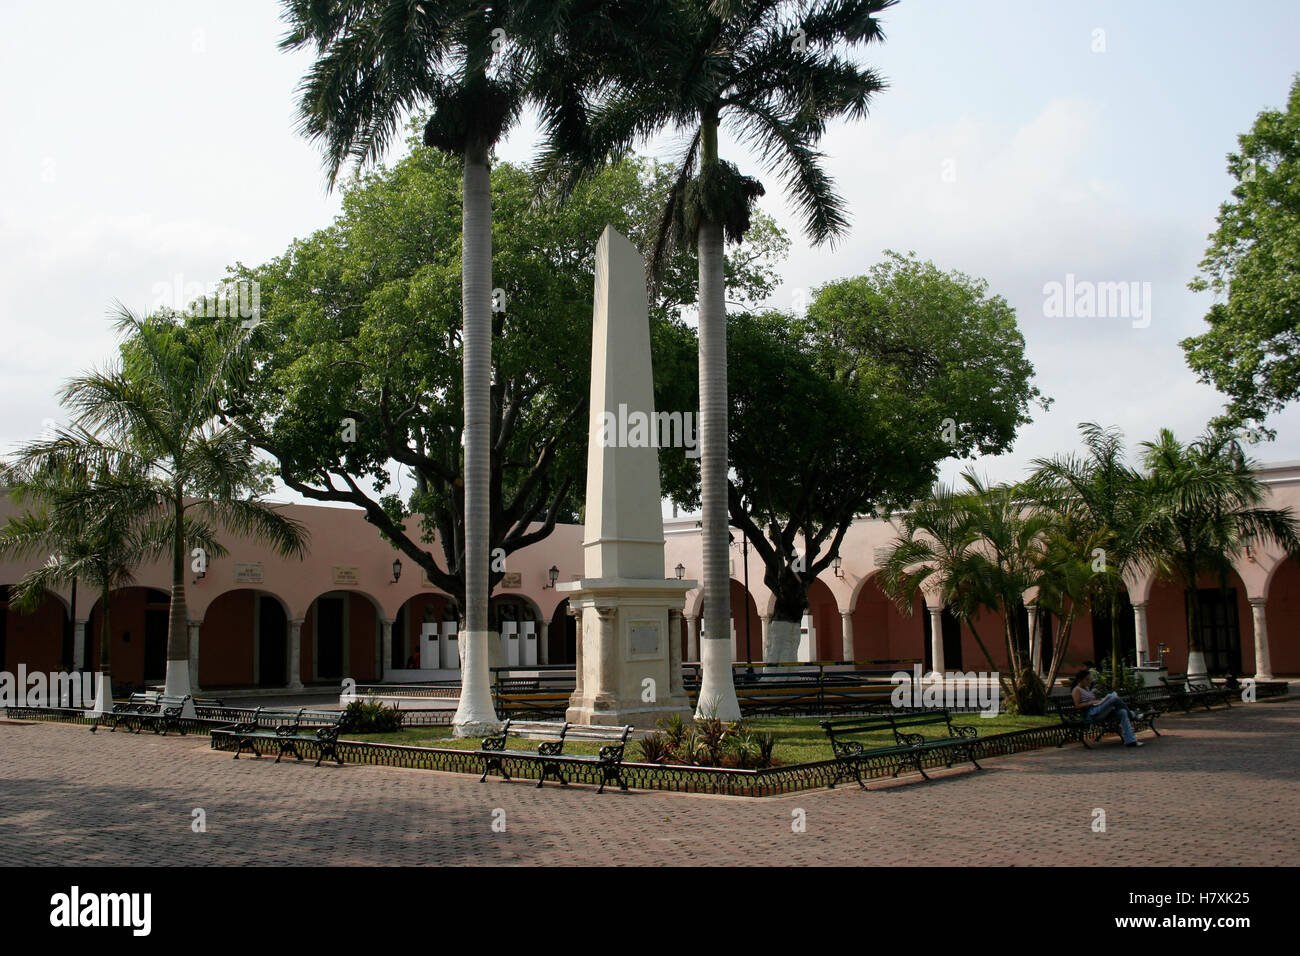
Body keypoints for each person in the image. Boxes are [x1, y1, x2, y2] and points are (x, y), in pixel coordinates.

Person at [1070, 668, 1144, 748]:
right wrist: (1090, 703)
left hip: (1098, 709)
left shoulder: (1087, 688)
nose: (1090, 681)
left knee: (1122, 712)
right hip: (1091, 713)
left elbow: (1093, 700)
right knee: (1114, 698)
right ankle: (1133, 715)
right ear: (1081, 680)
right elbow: (1077, 706)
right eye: (1087, 679)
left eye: (1090, 679)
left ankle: (1131, 741)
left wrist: (1100, 701)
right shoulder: (1076, 690)